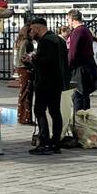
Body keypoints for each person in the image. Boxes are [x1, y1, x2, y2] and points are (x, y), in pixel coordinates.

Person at [26, 18, 70, 155]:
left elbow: (47, 63)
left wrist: (32, 59)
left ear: (38, 28)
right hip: (57, 82)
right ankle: (55, 143)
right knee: (55, 112)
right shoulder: (59, 40)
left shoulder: (46, 41)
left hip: (45, 82)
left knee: (39, 110)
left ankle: (44, 142)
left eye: (32, 30)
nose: (31, 33)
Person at [65, 10, 97, 113]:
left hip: (80, 68)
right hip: (88, 66)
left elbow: (73, 52)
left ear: (72, 19)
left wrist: (67, 66)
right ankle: (86, 120)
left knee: (78, 96)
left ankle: (79, 122)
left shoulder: (77, 31)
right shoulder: (86, 30)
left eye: (68, 20)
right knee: (85, 96)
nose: (68, 22)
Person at [14, 24, 35, 125]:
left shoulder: (22, 41)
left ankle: (24, 117)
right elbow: (23, 57)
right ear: (28, 32)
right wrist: (32, 62)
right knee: (26, 93)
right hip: (25, 68)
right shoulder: (26, 42)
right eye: (31, 31)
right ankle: (25, 118)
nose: (33, 33)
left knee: (25, 93)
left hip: (22, 68)